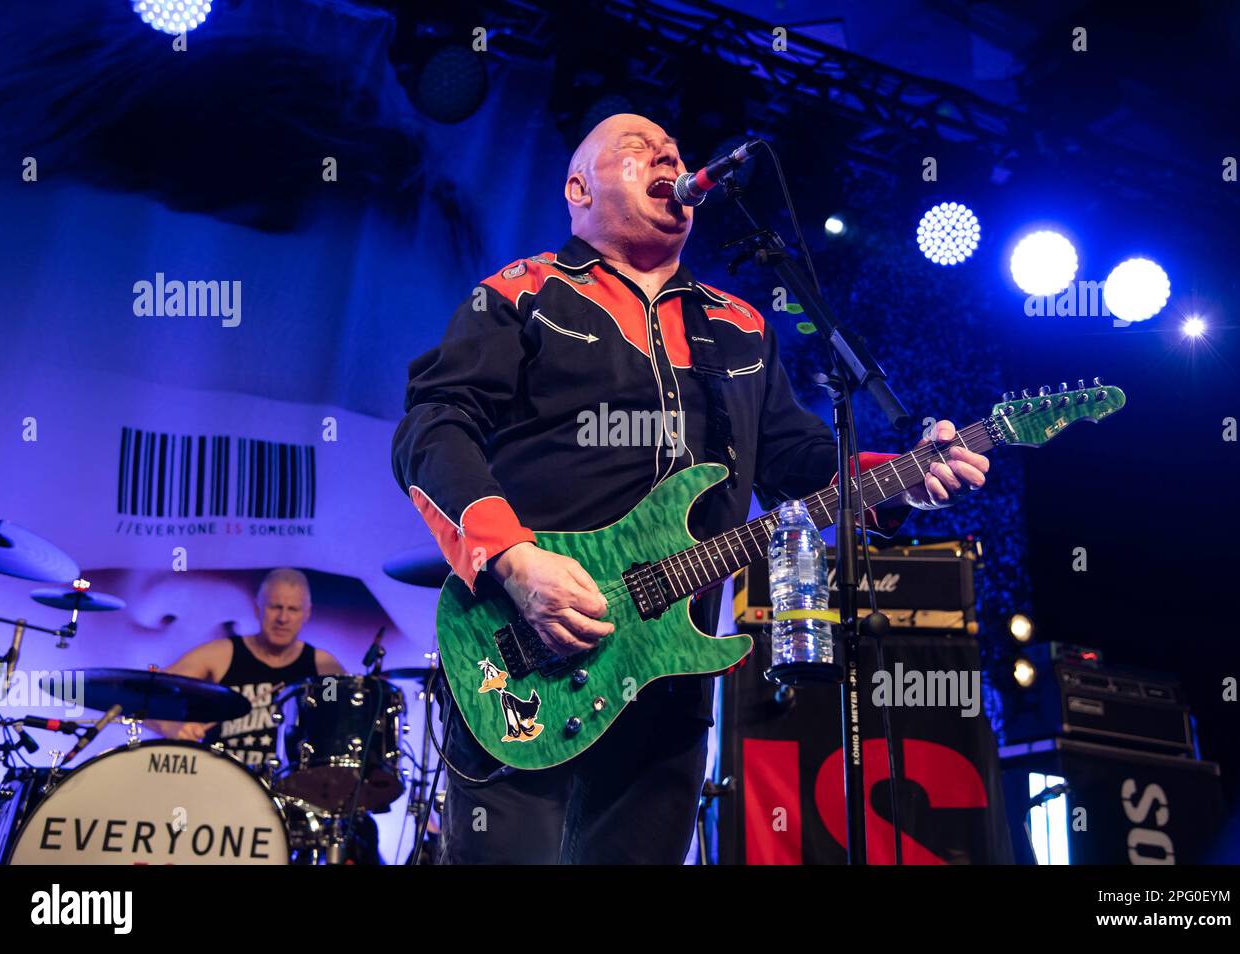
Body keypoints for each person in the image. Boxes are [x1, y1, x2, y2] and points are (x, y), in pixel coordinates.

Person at [391, 114, 990, 864]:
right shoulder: (523, 292)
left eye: (673, 150)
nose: (669, 156)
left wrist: (905, 480)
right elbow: (433, 429)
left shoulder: (737, 326)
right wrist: (514, 559)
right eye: (637, 150)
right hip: (526, 653)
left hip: (669, 677)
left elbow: (798, 458)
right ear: (578, 188)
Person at [150, 567, 345, 768]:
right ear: (257, 608)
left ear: (307, 614)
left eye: (293, 609)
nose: (283, 618)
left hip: (291, 790)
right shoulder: (219, 655)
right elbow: (147, 693)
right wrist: (172, 727)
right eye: (275, 607)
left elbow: (341, 719)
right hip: (222, 780)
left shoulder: (325, 670)